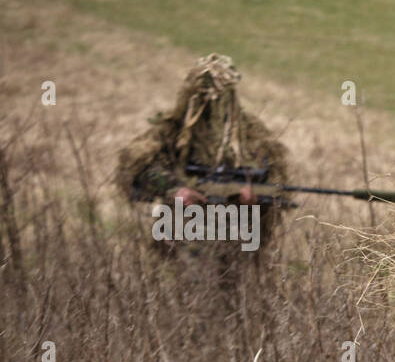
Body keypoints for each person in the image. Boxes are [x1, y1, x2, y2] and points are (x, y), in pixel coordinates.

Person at [115, 53, 289, 275]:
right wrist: (175, 188)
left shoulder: (252, 135)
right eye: (203, 96)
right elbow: (136, 164)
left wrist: (254, 199)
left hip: (236, 240)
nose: (212, 105)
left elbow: (276, 184)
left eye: (219, 97)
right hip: (180, 236)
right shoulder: (173, 129)